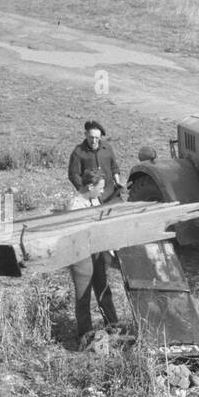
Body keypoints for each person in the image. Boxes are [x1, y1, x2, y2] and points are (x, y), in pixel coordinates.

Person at [67, 120, 124, 342]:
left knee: (103, 289)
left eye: (98, 137)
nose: (101, 193)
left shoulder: (93, 202)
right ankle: (86, 336)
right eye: (99, 189)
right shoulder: (75, 206)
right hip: (81, 256)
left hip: (96, 252)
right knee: (83, 296)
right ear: (90, 188)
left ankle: (113, 326)